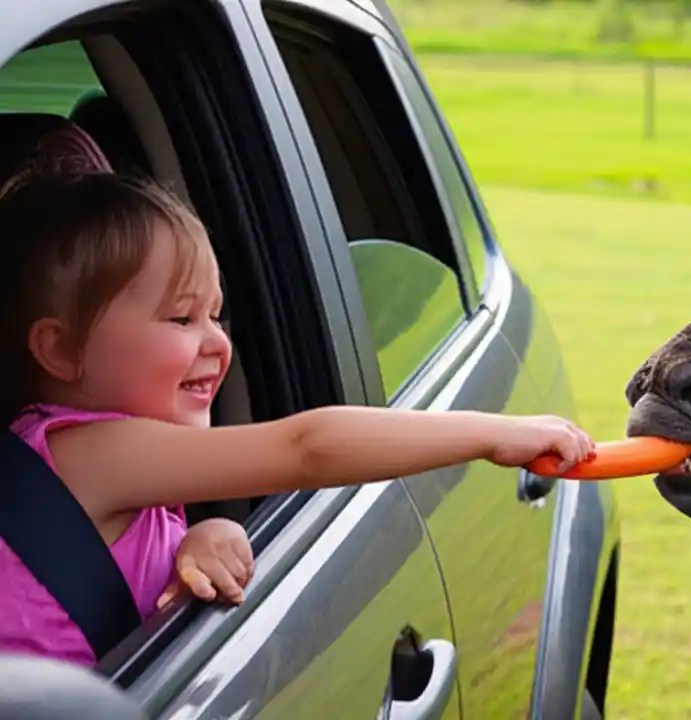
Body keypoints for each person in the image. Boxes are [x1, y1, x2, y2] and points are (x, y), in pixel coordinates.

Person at [0, 170, 595, 665]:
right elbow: (307, 448)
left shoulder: (101, 468)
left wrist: (208, 535)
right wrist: (494, 433)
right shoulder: (88, 454)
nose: (216, 342)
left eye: (216, 313)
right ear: (59, 350)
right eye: (181, 319)